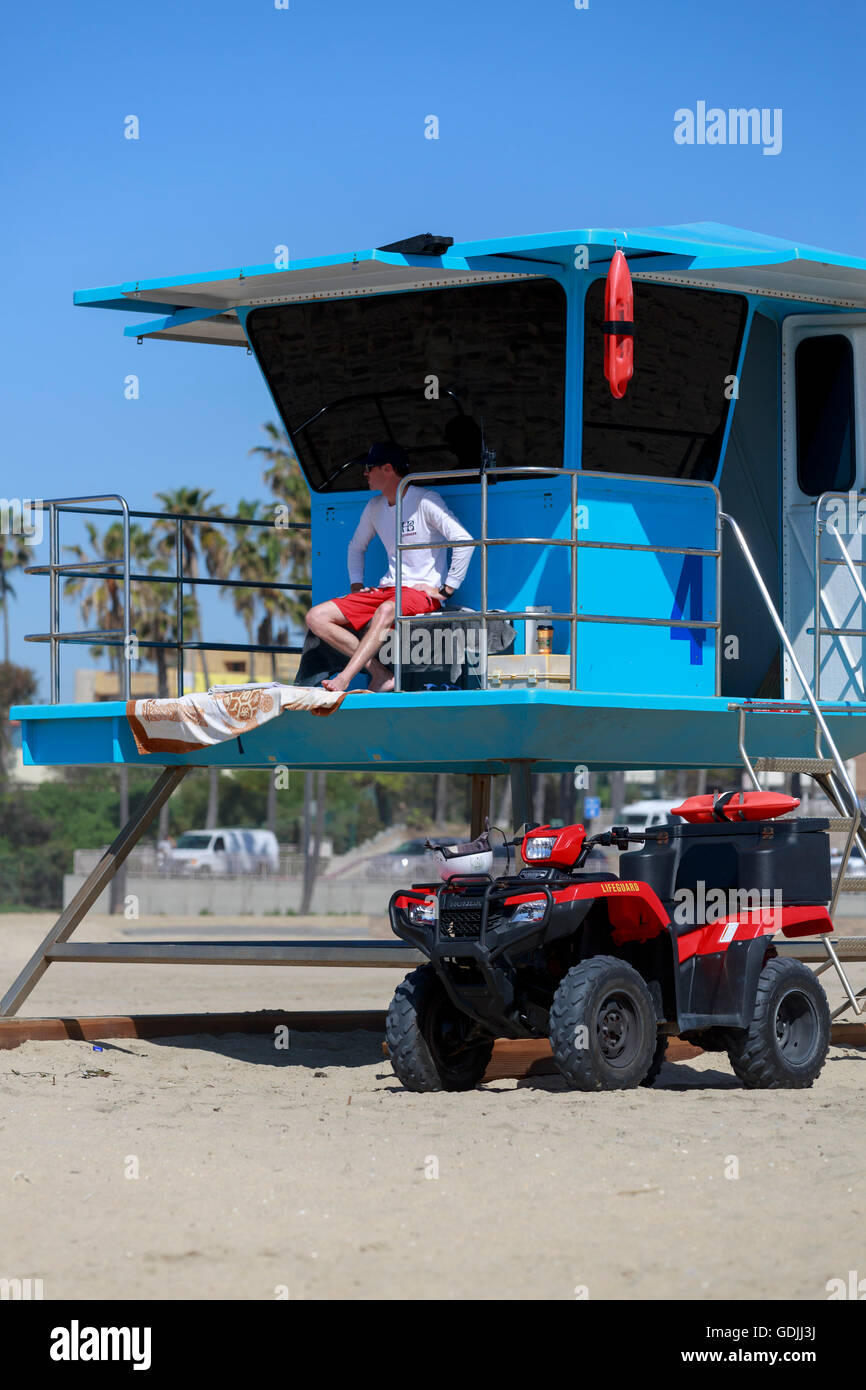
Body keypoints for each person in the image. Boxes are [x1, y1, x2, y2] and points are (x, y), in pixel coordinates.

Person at [306, 441, 473, 692]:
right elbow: (355, 547)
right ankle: (381, 674)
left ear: (387, 469)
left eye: (369, 468)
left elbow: (465, 541)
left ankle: (344, 679)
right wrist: (356, 586)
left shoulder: (425, 500)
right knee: (316, 617)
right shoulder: (374, 506)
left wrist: (447, 590)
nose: (365, 474)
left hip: (419, 593)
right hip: (388, 589)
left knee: (385, 611)